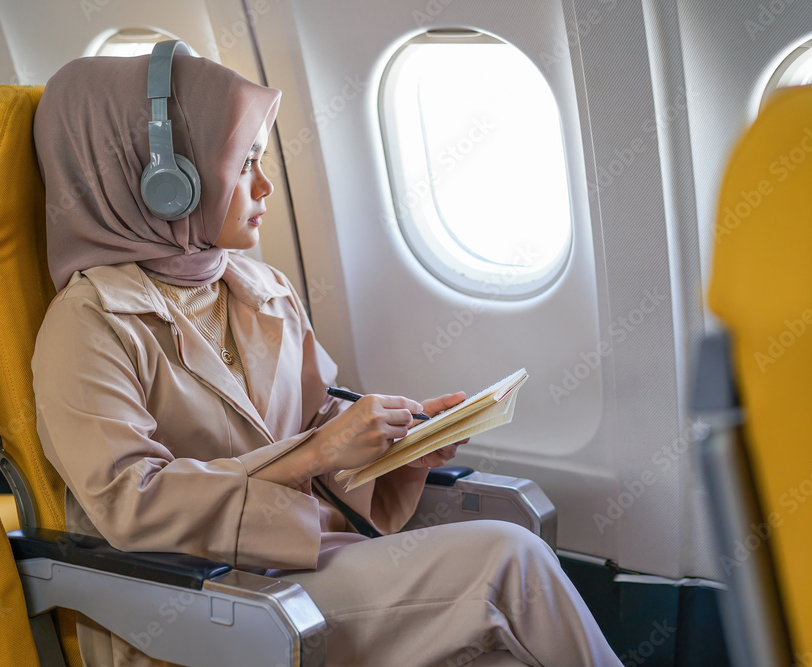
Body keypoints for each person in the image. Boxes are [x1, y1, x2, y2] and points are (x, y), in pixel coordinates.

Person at [31, 47, 621, 667]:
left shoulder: (260, 287)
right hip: (193, 601)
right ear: (163, 186)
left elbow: (316, 423)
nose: (264, 186)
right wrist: (317, 453)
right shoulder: (89, 323)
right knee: (511, 560)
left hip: (297, 563)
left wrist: (397, 443)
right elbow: (131, 502)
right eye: (241, 165)